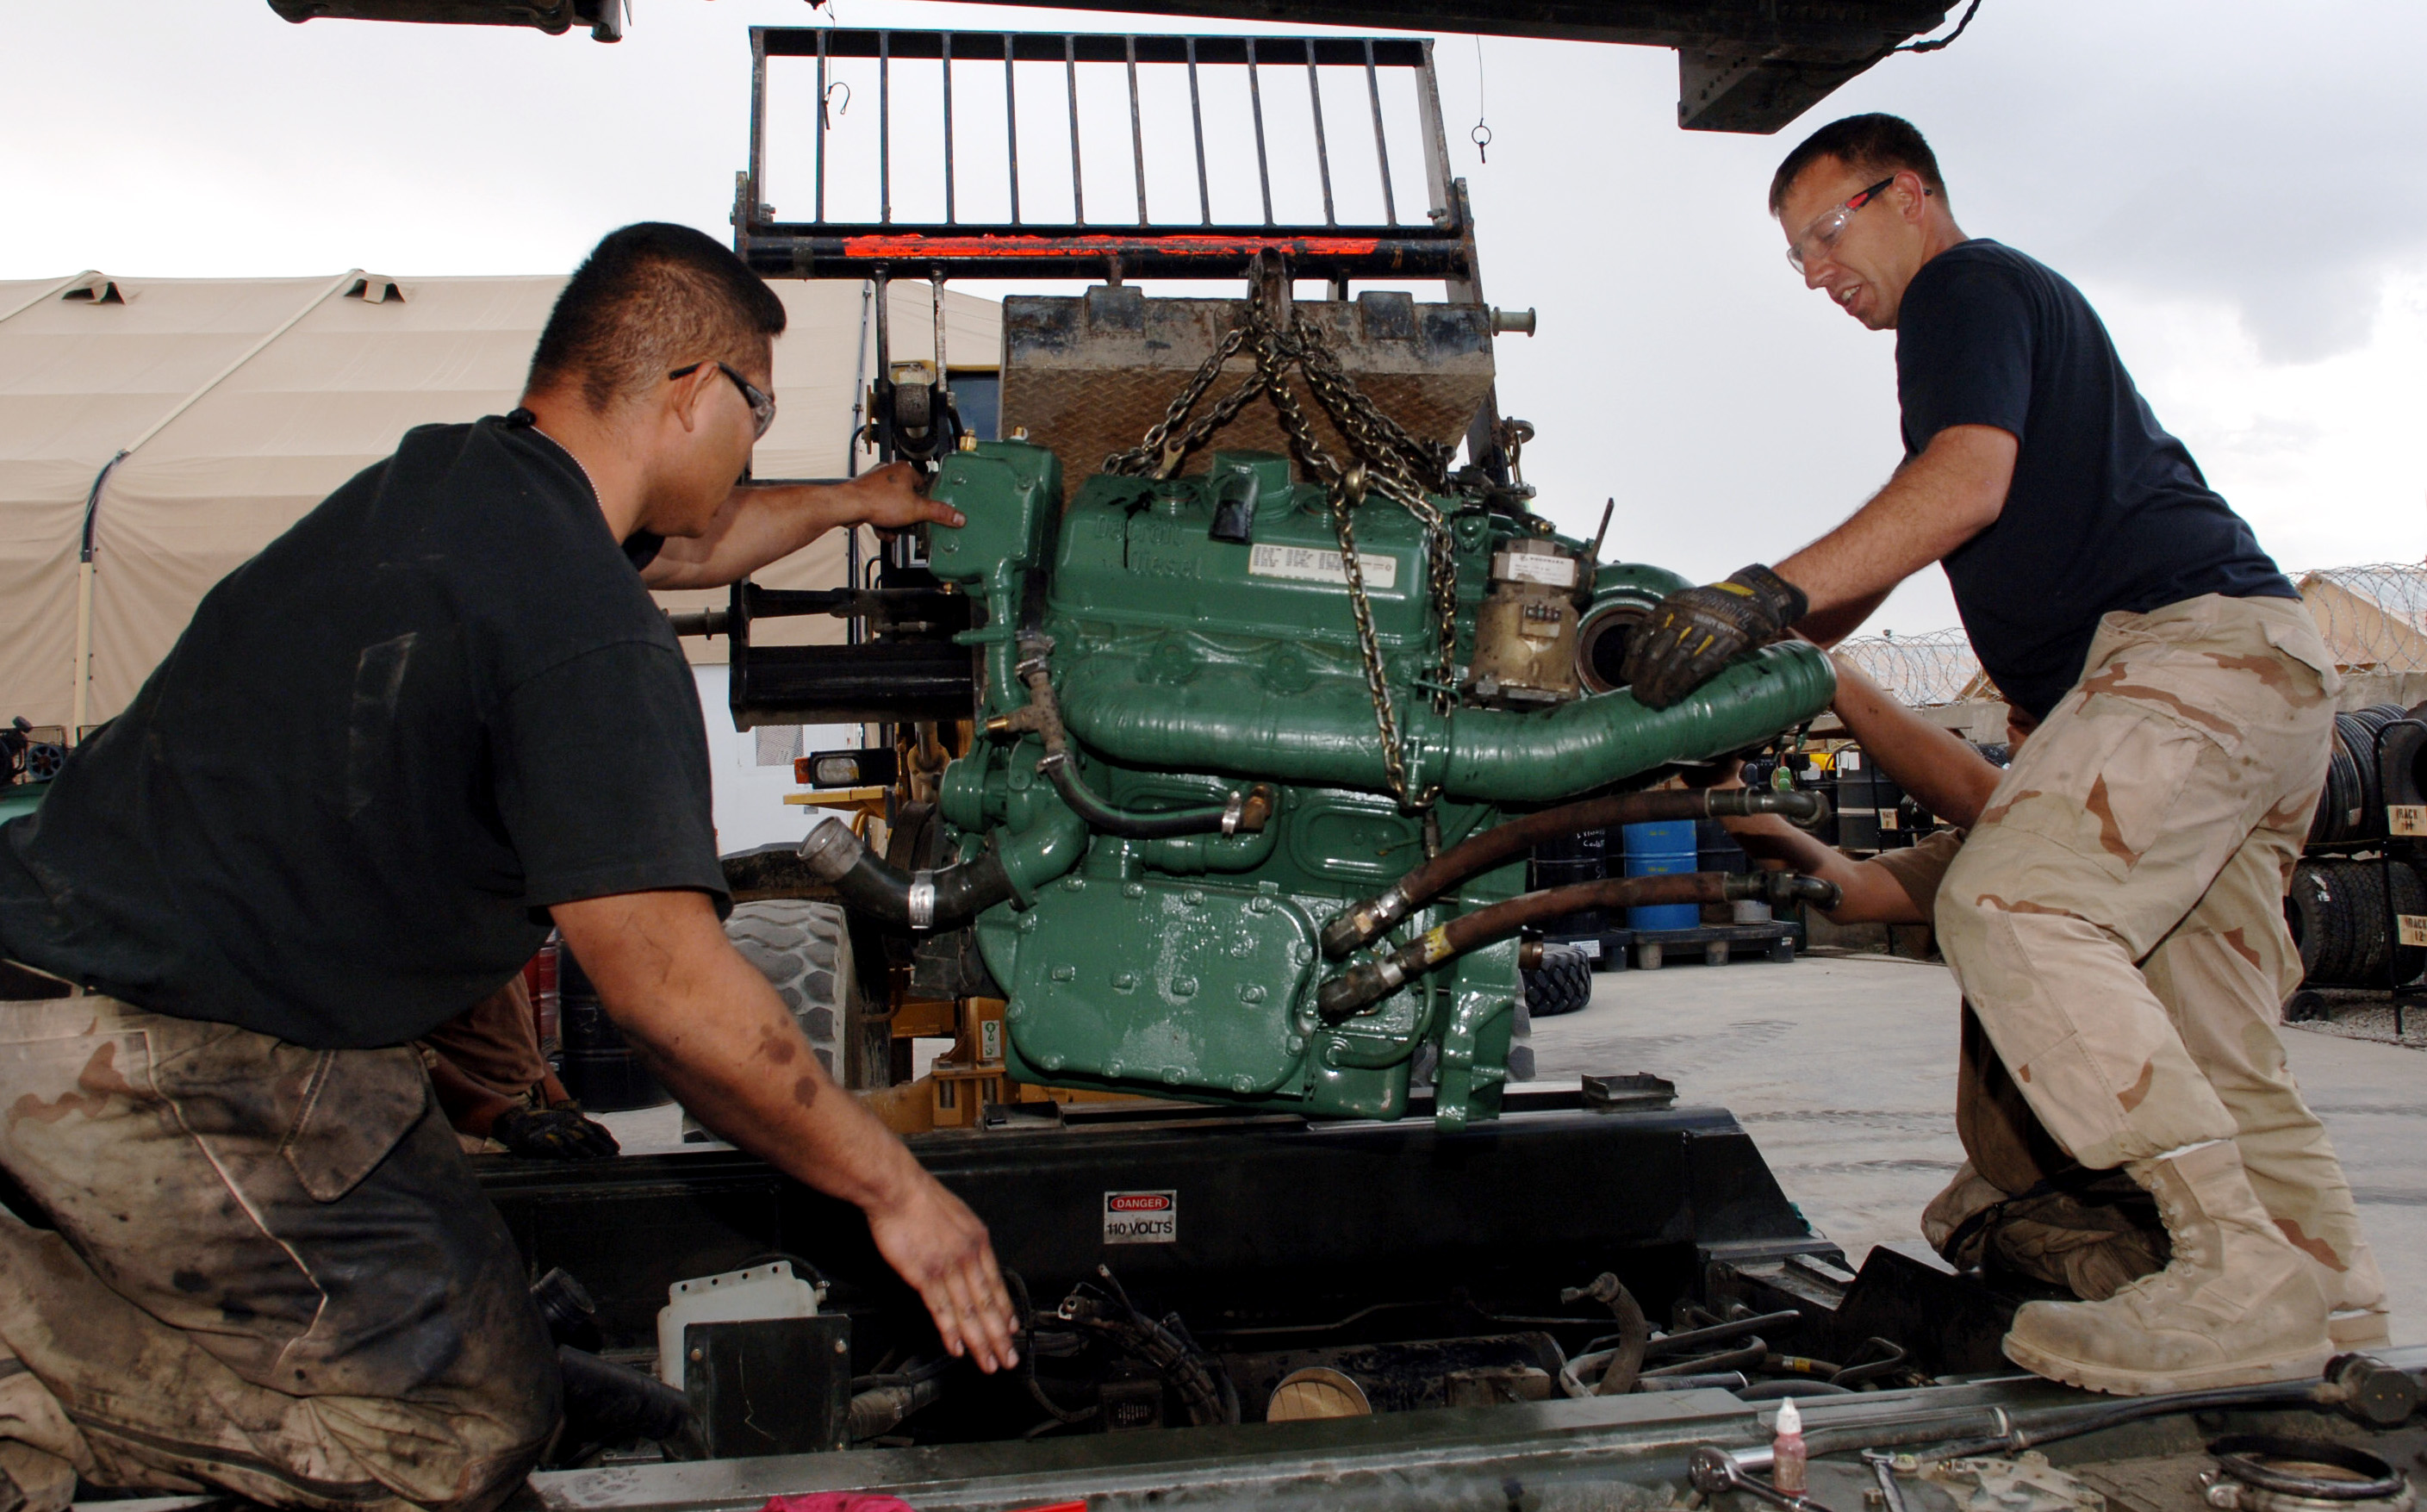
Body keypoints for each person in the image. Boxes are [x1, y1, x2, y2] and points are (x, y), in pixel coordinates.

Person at [0, 221, 1012, 1512]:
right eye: (759, 404)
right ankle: (28, 1357)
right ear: (690, 389)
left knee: (507, 1349)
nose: (759, 437)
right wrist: (898, 1190)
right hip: (157, 1047)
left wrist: (856, 504)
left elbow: (693, 544)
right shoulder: (580, 626)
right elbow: (661, 986)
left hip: (163, 991)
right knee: (455, 1430)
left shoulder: (461, 486)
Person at [1622, 115, 2377, 1395]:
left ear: (1907, 193)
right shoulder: (2006, 318)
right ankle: (2322, 1288)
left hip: (2185, 655)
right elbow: (1892, 552)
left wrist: (1755, 595)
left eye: (1827, 229)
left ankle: (2230, 1272)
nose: (1815, 270)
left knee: (2011, 903)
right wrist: (1776, 653)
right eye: (1794, 256)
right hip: (2267, 675)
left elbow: (1958, 484)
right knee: (2209, 1026)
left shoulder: (1962, 288)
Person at [1724, 659, 2383, 1328]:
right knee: (1977, 1223)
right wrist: (1722, 794)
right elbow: (1852, 891)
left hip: (2178, 1200)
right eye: (2017, 721)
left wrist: (1825, 670)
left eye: (2049, 725)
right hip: (2059, 1198)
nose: (2025, 743)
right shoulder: (2012, 844)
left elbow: (1979, 795)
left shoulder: (2175, 824)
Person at [420, 974, 619, 1161]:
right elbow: (411, 1061)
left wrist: (560, 1104)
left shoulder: (501, 947)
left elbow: (522, 1039)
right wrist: (510, 1122)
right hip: (470, 1130)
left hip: (524, 1114)